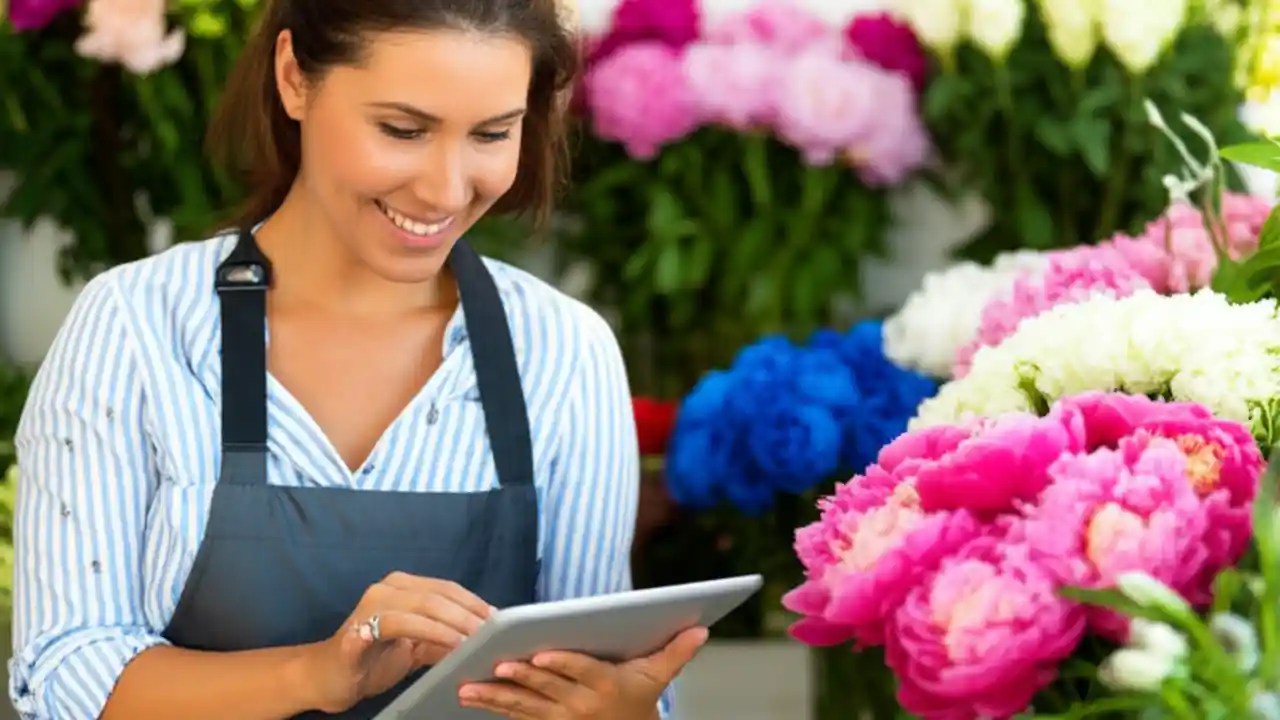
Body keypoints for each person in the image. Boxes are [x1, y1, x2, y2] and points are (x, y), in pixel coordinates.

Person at [7, 0, 707, 718]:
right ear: (293, 78)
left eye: (493, 134)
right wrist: (316, 674)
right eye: (402, 130)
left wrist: (620, 708)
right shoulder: (135, 326)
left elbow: (604, 665)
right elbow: (66, 669)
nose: (445, 188)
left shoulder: (562, 350)